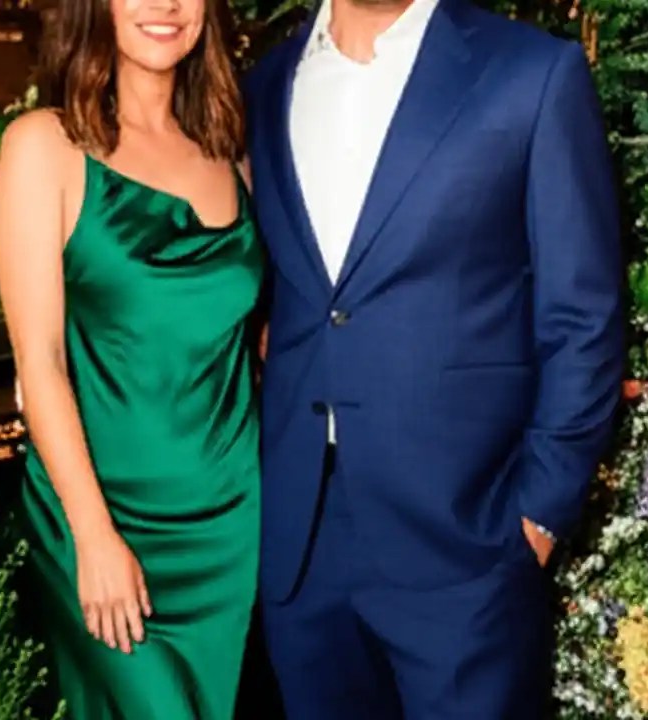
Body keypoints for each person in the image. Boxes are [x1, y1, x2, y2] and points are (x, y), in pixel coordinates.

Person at [243, 0, 624, 715]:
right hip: (300, 545)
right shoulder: (263, 87)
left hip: (467, 543)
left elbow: (583, 317)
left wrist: (540, 513)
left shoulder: (531, 74)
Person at [0, 0, 261, 714]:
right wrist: (94, 536)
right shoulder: (42, 146)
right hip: (104, 524)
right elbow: (39, 361)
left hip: (233, 522)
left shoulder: (231, 149)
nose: (165, 5)